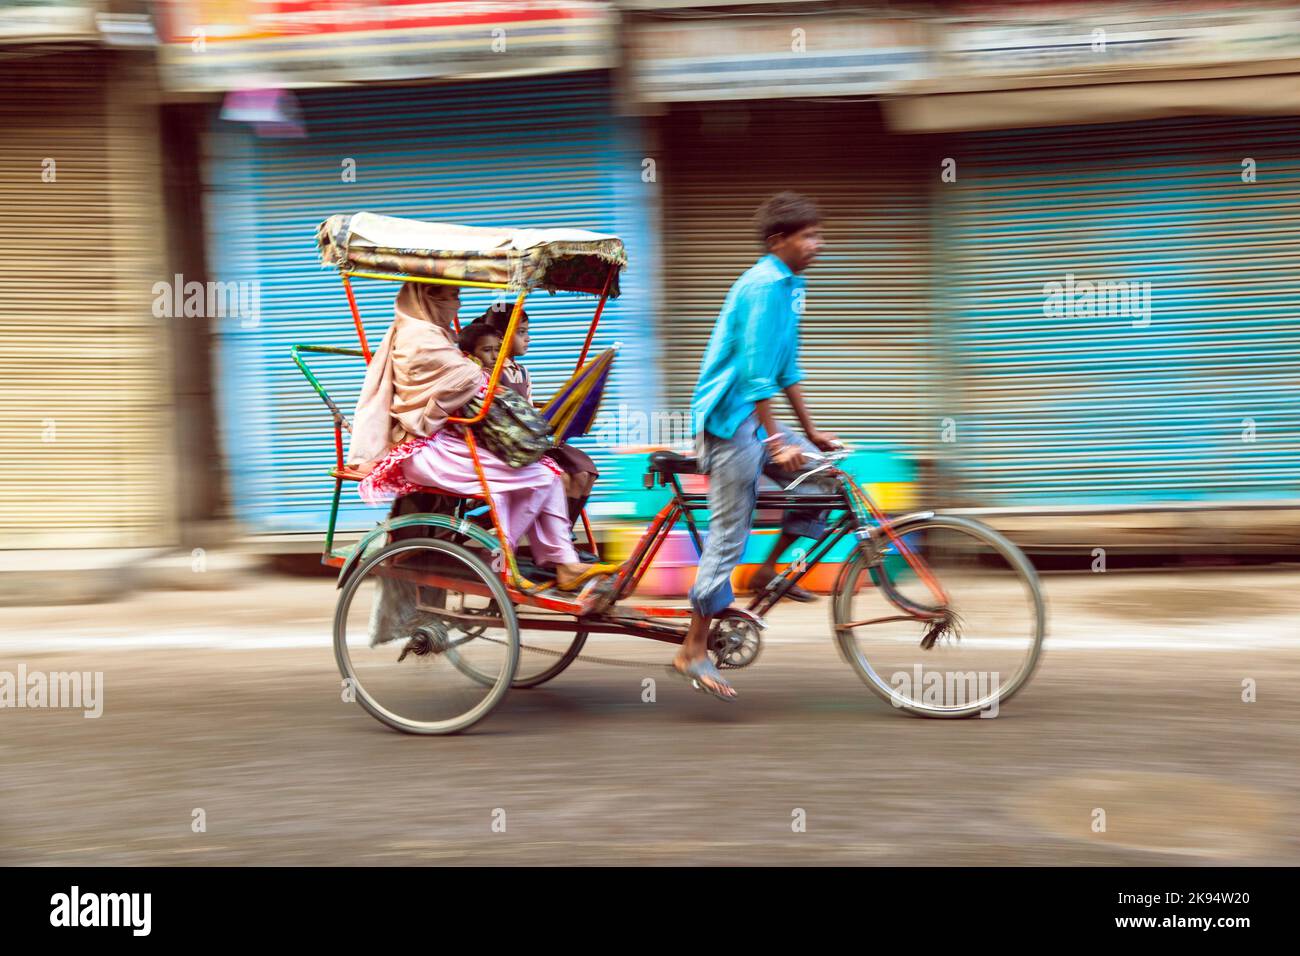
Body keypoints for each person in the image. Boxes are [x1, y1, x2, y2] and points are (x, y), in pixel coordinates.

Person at [674, 192, 840, 700]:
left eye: (817, 233)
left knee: (825, 479)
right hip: (729, 423)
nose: (818, 244)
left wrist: (809, 434)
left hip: (754, 420)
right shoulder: (764, 285)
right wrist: (774, 439)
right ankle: (692, 648)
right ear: (778, 241)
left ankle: (771, 571)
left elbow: (786, 366)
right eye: (807, 235)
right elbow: (753, 374)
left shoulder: (792, 285)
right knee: (729, 534)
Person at [347, 282, 615, 597]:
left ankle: (561, 562)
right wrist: (483, 370)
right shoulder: (419, 339)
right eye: (453, 297)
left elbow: (471, 378)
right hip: (424, 451)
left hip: (446, 444)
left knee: (546, 471)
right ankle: (504, 561)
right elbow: (468, 379)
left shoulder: (437, 335)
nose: (458, 305)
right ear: (429, 298)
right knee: (543, 475)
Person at [478, 303, 601, 525]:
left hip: (530, 437)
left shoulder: (523, 372)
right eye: (521, 332)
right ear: (500, 335)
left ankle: (565, 534)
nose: (528, 338)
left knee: (584, 473)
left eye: (527, 332)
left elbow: (528, 406)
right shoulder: (489, 371)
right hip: (508, 443)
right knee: (560, 478)